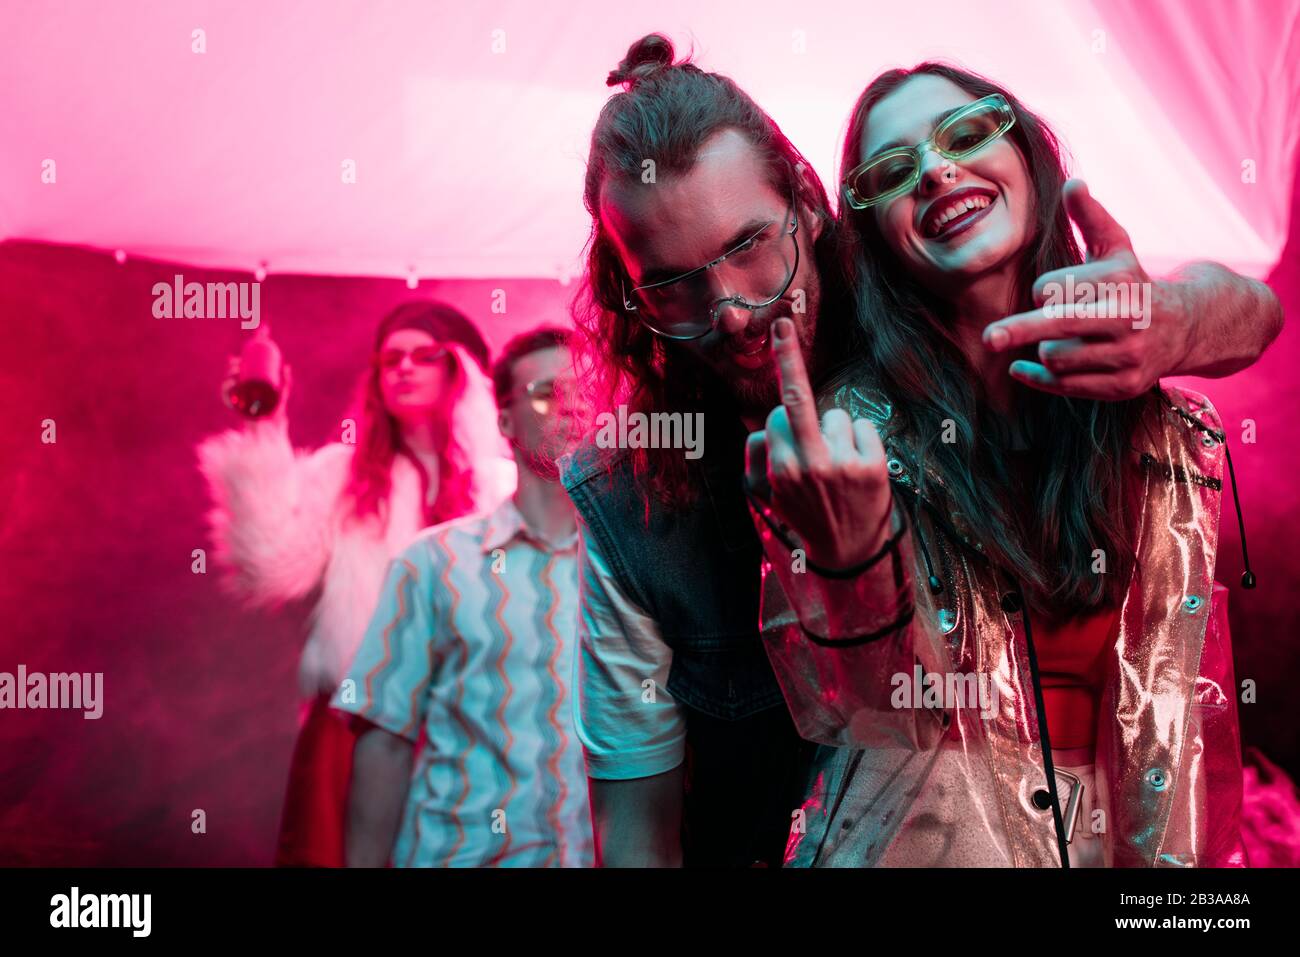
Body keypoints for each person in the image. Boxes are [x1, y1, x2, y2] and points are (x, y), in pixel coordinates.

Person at [562, 33, 1283, 867]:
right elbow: (640, 821)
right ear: (629, 293)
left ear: (809, 201)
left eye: (748, 246)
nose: (728, 309)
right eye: (673, 284)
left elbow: (1250, 312)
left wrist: (1176, 320)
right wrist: (849, 563)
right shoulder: (629, 503)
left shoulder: (963, 348)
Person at [197, 300, 514, 867]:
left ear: (458, 370)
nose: (404, 368)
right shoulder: (342, 475)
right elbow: (269, 569)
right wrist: (261, 428)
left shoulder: (503, 489)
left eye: (424, 355)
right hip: (353, 724)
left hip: (469, 729)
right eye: (390, 358)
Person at [332, 327, 595, 867]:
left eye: (584, 394)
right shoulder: (433, 562)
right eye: (547, 393)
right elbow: (383, 740)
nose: (571, 411)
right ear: (504, 422)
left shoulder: (631, 566)